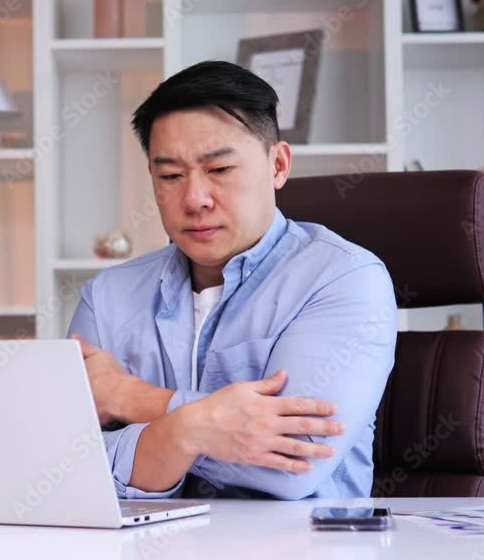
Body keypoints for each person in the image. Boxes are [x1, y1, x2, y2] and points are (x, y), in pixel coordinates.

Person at [67, 61, 398, 500]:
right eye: (170, 176)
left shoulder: (344, 279)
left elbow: (292, 466)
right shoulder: (107, 297)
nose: (195, 199)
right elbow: (67, 464)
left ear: (277, 165)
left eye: (219, 170)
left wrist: (127, 397)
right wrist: (199, 429)